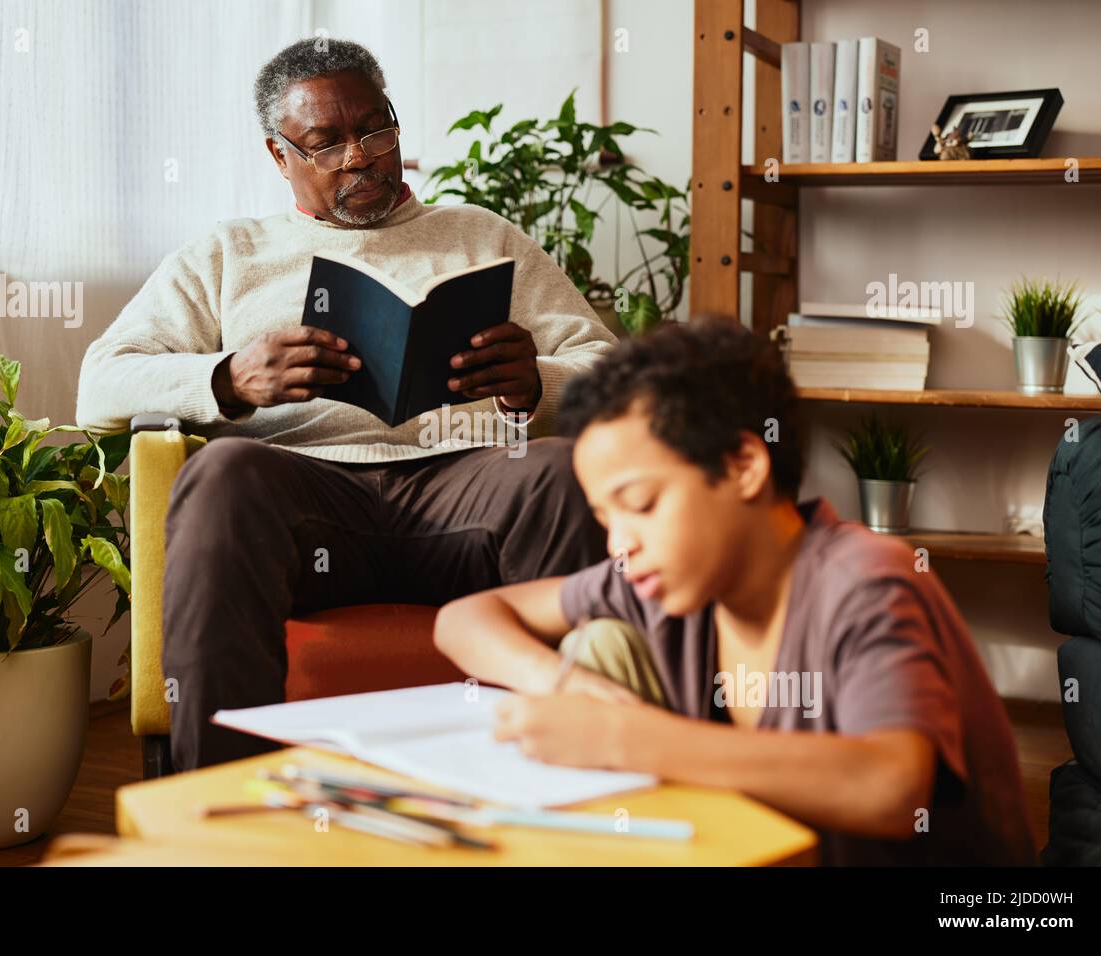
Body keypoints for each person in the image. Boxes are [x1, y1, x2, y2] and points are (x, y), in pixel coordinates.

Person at [75, 38, 615, 770]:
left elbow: (616, 374)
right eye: (326, 144)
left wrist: (536, 381)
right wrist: (228, 379)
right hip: (305, 501)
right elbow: (100, 384)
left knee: (553, 473)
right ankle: (218, 803)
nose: (359, 157)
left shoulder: (484, 237)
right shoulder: (229, 253)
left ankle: (558, 779)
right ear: (279, 156)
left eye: (374, 130)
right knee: (224, 476)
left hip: (467, 490)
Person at [433, 319, 1037, 865]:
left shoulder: (865, 579)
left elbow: (892, 790)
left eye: (640, 505)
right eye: (605, 518)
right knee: (597, 647)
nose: (620, 544)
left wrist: (622, 738)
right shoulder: (664, 583)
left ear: (745, 464)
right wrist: (565, 685)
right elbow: (465, 620)